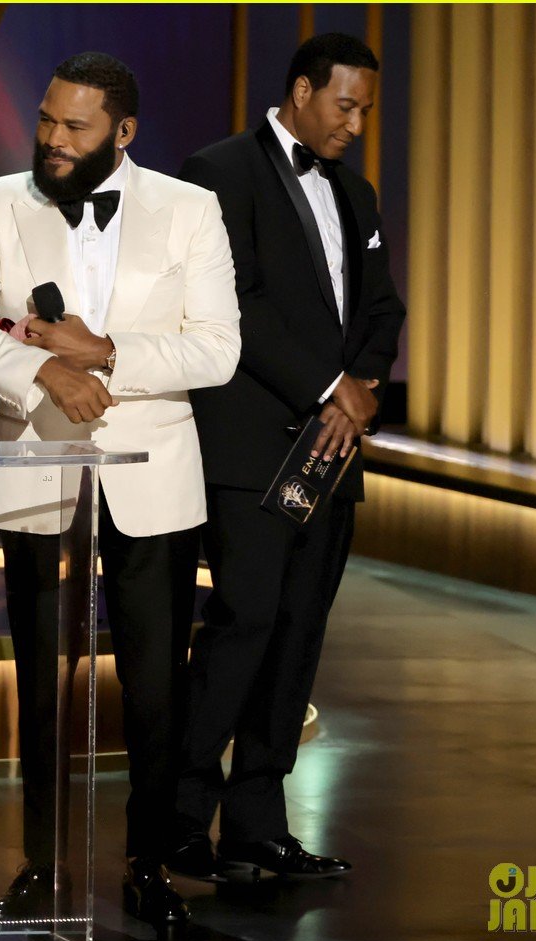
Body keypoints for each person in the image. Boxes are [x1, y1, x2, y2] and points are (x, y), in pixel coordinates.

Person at [0, 53, 239, 927]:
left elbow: (217, 348)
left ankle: (149, 863)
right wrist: (44, 375)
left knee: (154, 685)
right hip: (36, 462)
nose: (54, 141)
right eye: (46, 121)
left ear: (124, 132)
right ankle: (41, 864)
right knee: (38, 679)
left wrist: (103, 356)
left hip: (151, 473)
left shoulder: (190, 210)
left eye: (75, 128)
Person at [168, 33, 406, 883]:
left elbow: (382, 307)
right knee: (242, 627)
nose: (355, 124)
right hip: (252, 448)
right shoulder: (218, 171)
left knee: (300, 635)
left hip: (332, 453)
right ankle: (181, 819)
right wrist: (329, 386)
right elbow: (237, 302)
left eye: (366, 111)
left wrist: (363, 383)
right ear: (301, 91)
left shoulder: (358, 191)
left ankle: (258, 822)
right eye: (344, 106)